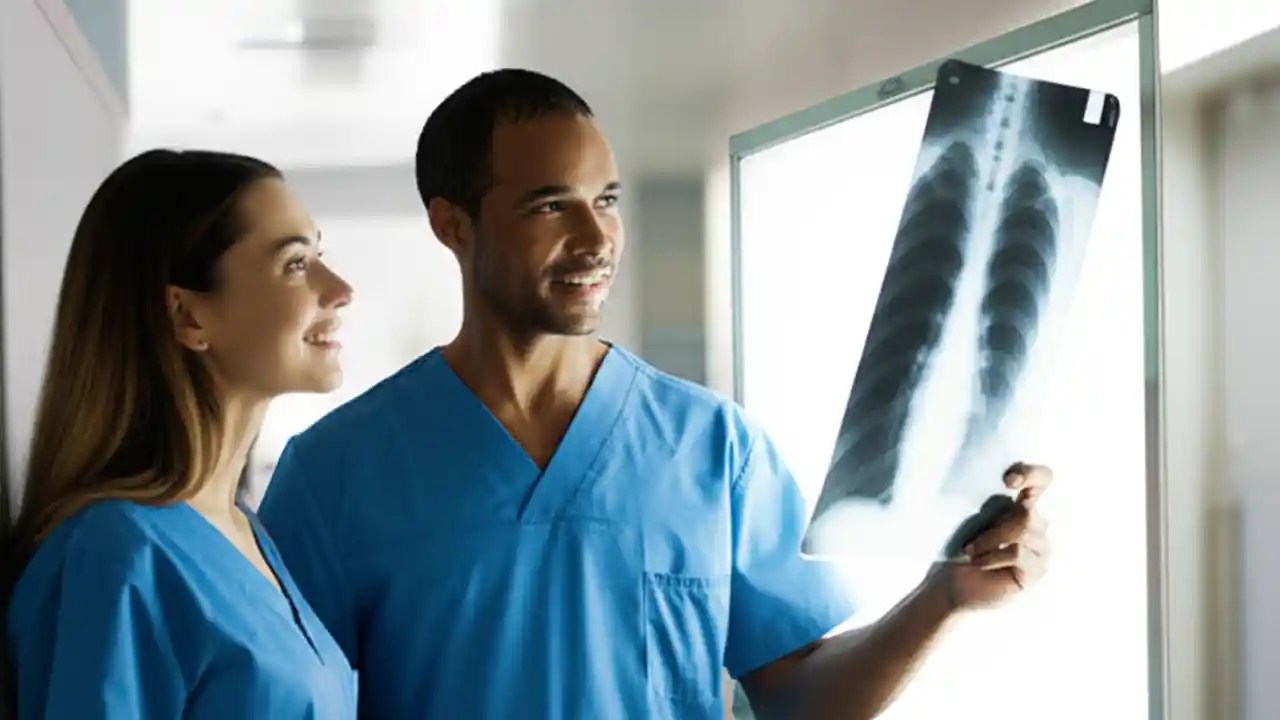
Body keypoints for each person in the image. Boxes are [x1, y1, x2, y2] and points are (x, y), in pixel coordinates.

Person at [259, 69, 1052, 719]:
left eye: (606, 200)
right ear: (452, 225)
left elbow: (799, 699)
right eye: (550, 206)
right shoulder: (335, 475)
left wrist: (943, 597)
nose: (597, 238)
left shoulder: (713, 447)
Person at [3, 149, 358, 719]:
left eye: (319, 254)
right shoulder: (115, 554)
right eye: (295, 264)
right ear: (189, 317)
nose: (340, 288)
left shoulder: (241, 531)